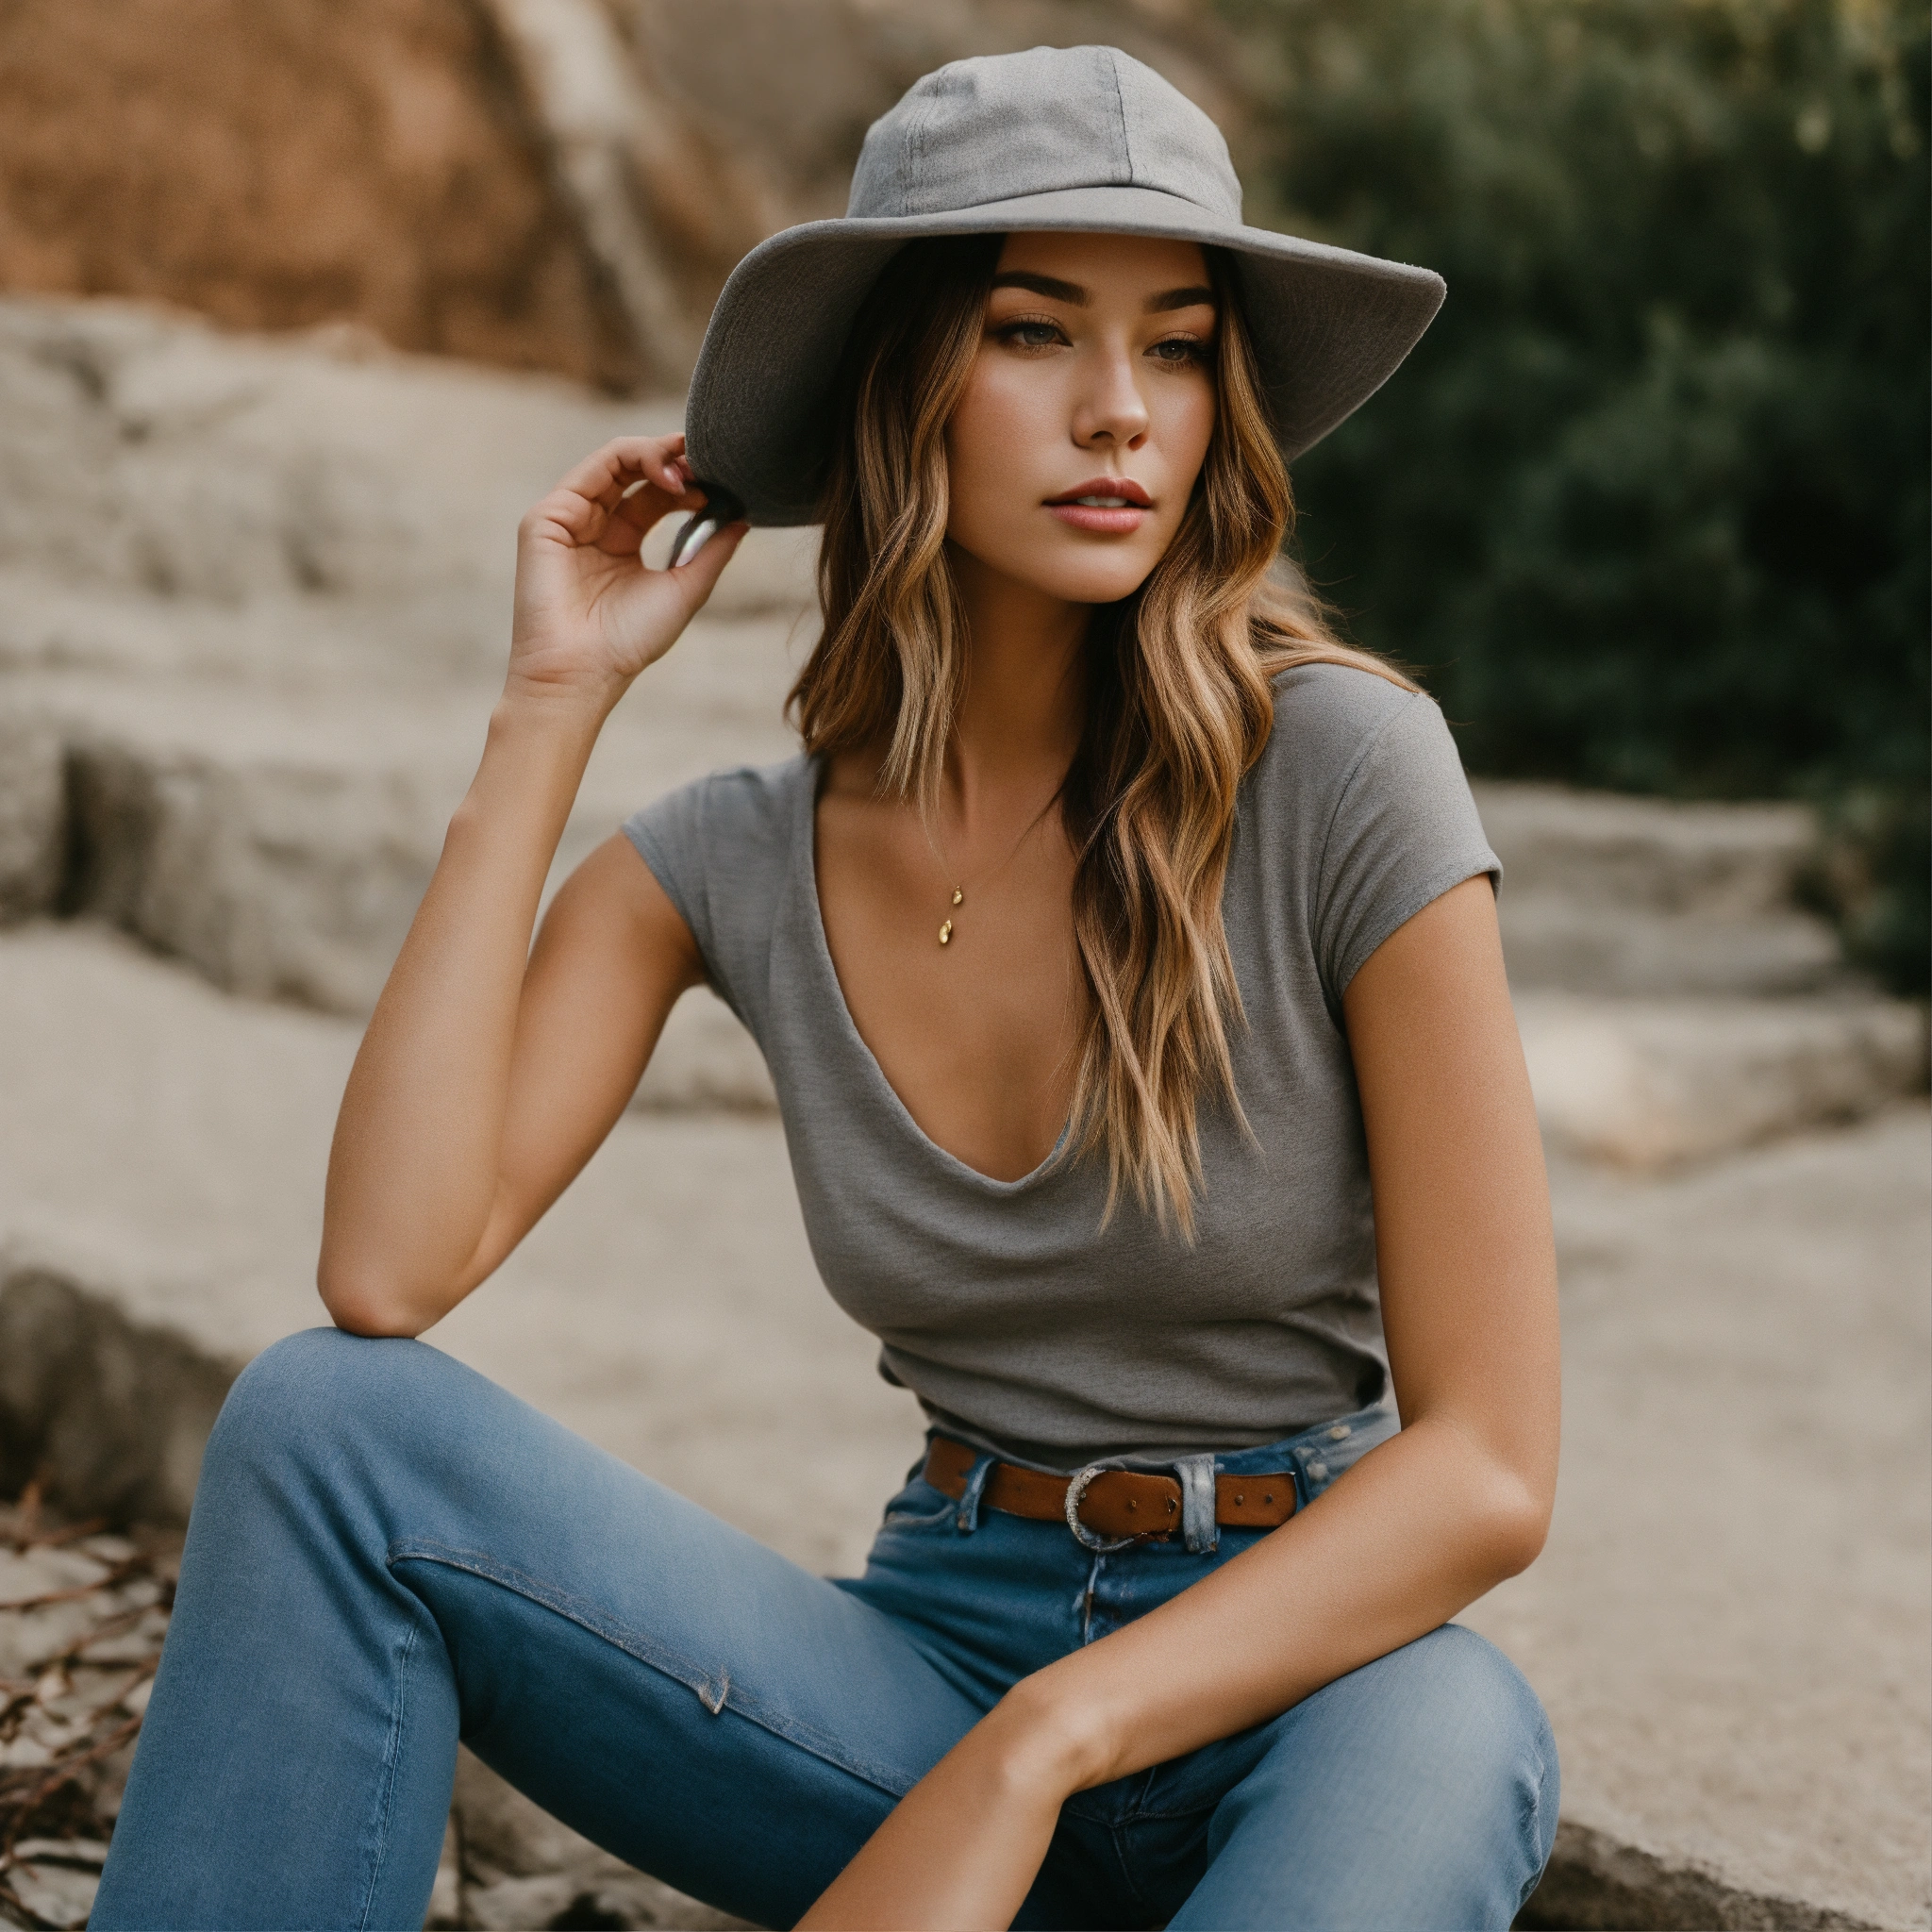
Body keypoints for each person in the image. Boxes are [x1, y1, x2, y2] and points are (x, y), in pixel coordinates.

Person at [92, 45, 1560, 1932]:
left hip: (1316, 1681)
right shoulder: (722, 865)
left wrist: (1045, 1739)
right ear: (900, 378)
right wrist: (553, 706)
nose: (1121, 412)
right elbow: (388, 1265)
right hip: (919, 1664)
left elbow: (1490, 1464)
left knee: (1448, 1732)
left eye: (1177, 346)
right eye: (1036, 333)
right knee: (323, 1427)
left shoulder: (1343, 770)